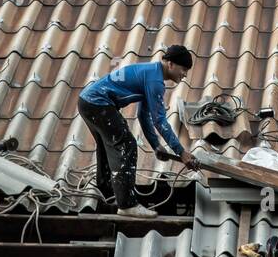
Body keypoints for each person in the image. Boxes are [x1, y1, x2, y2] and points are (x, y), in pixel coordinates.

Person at [77, 44, 195, 218]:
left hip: (87, 101)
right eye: (183, 69)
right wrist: (181, 152)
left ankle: (108, 195)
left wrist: (156, 146)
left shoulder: (150, 73)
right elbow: (159, 120)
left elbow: (143, 116)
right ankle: (127, 205)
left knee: (107, 145)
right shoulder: (155, 81)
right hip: (97, 103)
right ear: (170, 64)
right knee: (127, 144)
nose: (184, 74)